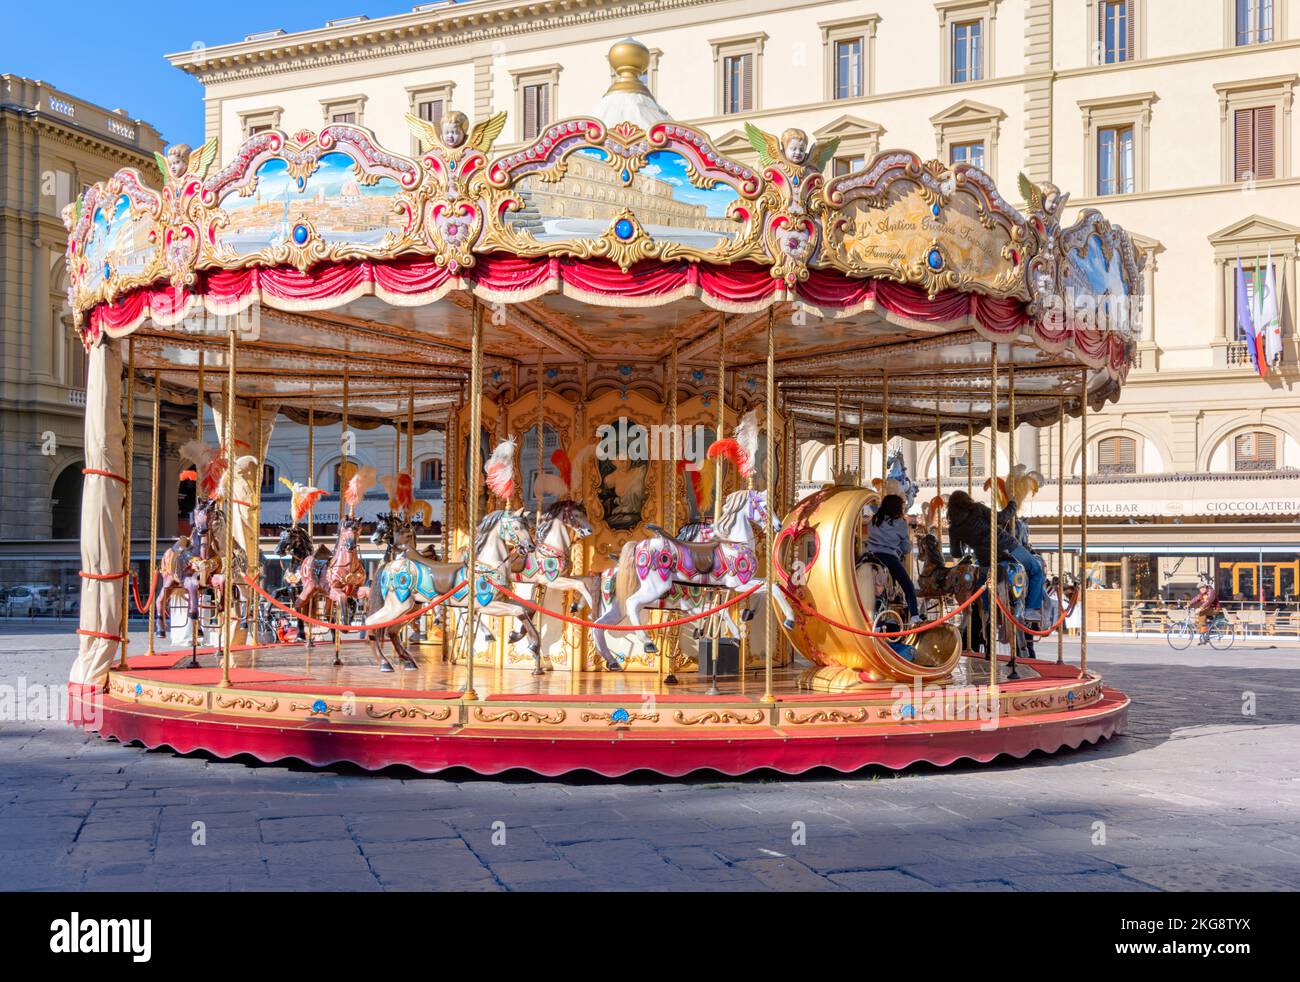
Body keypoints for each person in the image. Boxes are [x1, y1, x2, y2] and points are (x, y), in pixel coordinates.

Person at [946, 489, 1046, 624]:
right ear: (966, 500)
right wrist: (1012, 505)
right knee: (1036, 569)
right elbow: (1001, 518)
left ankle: (987, 611)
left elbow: (956, 553)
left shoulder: (954, 528)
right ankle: (1031, 609)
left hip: (985, 560)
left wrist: (965, 540)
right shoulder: (977, 509)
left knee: (982, 585)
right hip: (1008, 547)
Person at [864, 494, 923, 626]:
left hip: (870, 556)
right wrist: (906, 545)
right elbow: (906, 548)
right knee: (908, 586)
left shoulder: (874, 520)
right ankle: (914, 615)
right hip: (888, 557)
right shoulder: (900, 523)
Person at [1189, 576, 1221, 644]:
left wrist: (1200, 608)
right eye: (1200, 588)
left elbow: (1208, 601)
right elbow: (1196, 598)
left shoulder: (1211, 591)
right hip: (1208, 608)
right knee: (1199, 616)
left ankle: (1203, 633)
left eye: (1203, 587)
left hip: (1215, 609)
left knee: (1201, 613)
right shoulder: (1201, 594)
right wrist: (1188, 604)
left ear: (1206, 587)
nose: (1202, 589)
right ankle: (1204, 634)